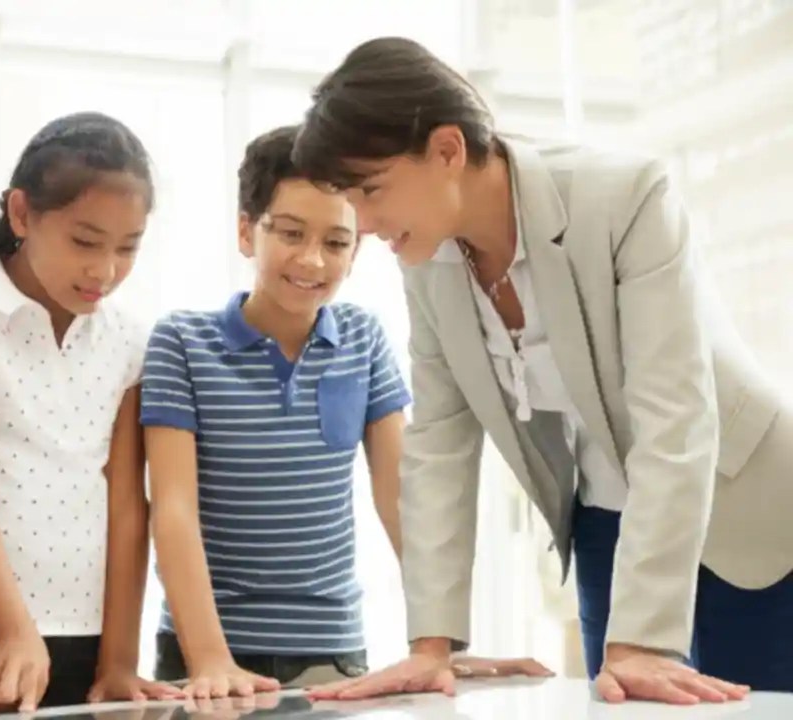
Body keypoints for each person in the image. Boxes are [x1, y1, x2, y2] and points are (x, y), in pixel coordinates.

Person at [291, 36, 793, 702]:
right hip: (606, 514)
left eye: (372, 189)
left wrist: (638, 639)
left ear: (447, 150)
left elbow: (676, 418)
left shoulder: (625, 197)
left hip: (744, 499)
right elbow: (438, 442)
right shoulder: (427, 256)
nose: (365, 220)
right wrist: (430, 643)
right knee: (620, 707)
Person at [141, 125, 550, 699]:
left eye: (336, 243)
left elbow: (401, 496)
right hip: (205, 654)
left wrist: (441, 644)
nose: (312, 260)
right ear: (245, 231)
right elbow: (174, 511)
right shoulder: (182, 343)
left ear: (358, 248)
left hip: (332, 654)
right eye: (290, 233)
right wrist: (210, 659)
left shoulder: (362, 338)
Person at [0, 112, 178, 711]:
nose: (104, 271)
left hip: (89, 636)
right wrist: (15, 633)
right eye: (85, 241)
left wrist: (120, 661)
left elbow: (127, 505)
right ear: (21, 214)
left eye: (127, 248)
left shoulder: (129, 341)